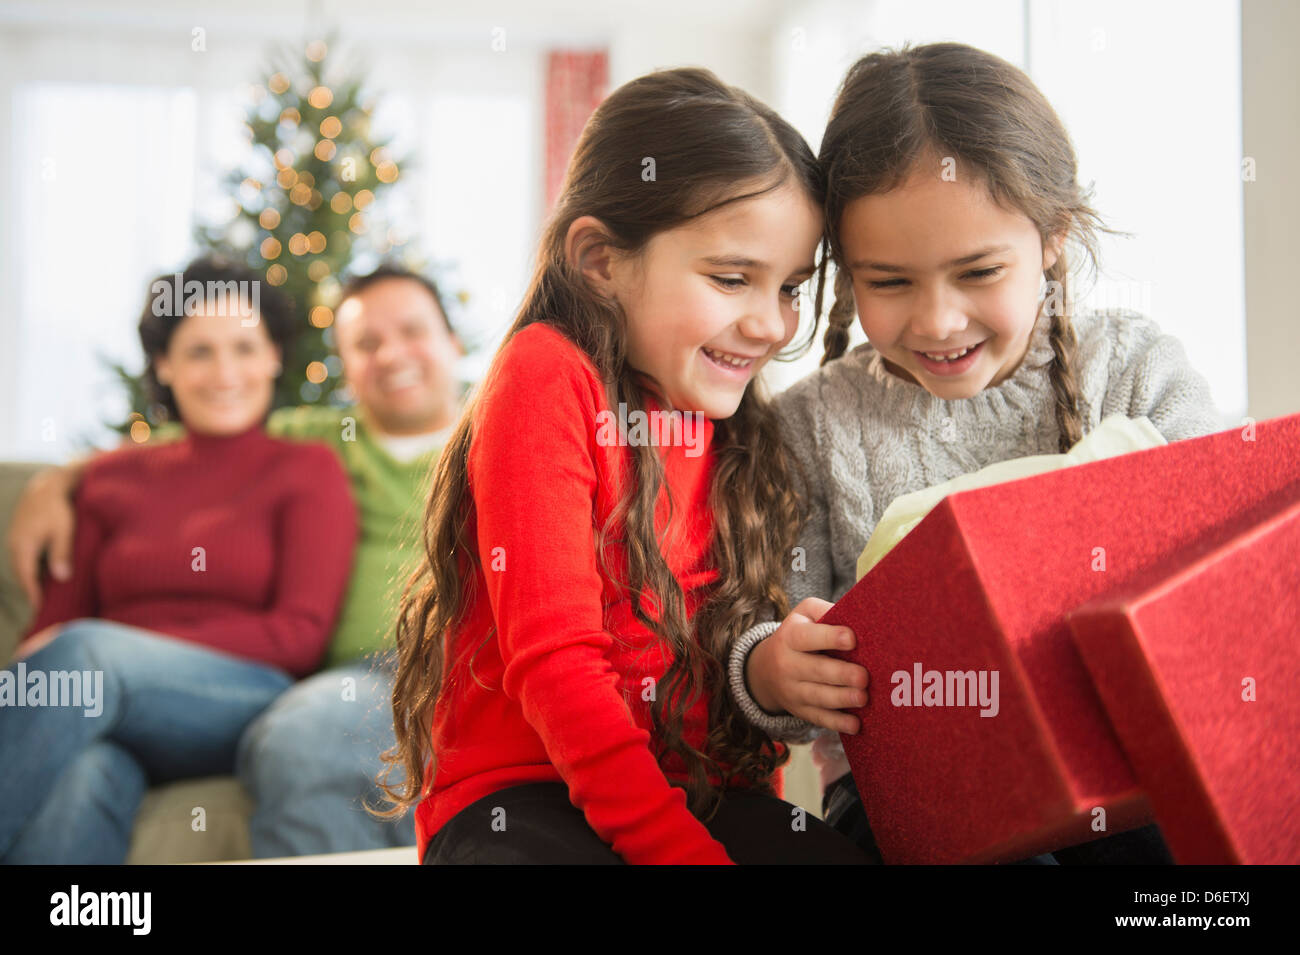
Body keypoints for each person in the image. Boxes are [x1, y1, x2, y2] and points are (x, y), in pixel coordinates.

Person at [726, 42, 1219, 864]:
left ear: (1053, 237)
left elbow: (1231, 572)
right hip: (910, 799)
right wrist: (771, 668)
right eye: (889, 282)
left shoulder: (1134, 372)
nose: (939, 322)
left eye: (979, 271)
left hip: (1136, 779)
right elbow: (764, 633)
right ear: (845, 274)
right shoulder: (811, 424)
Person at [379, 67, 872, 864]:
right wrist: (679, 851)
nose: (772, 322)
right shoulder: (548, 374)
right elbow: (558, 662)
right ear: (601, 260)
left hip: (697, 793)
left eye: (789, 286)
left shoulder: (730, 415)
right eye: (731, 277)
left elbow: (727, 677)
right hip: (525, 794)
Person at [5, 263, 464, 857]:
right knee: (83, 773)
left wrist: (121, 648)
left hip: (241, 692)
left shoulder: (310, 463)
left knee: (84, 658)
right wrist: (55, 480)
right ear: (164, 366)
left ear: (272, 357)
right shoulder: (109, 480)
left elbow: (297, 632)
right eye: (199, 351)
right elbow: (47, 633)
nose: (225, 373)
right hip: (121, 700)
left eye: (243, 348)